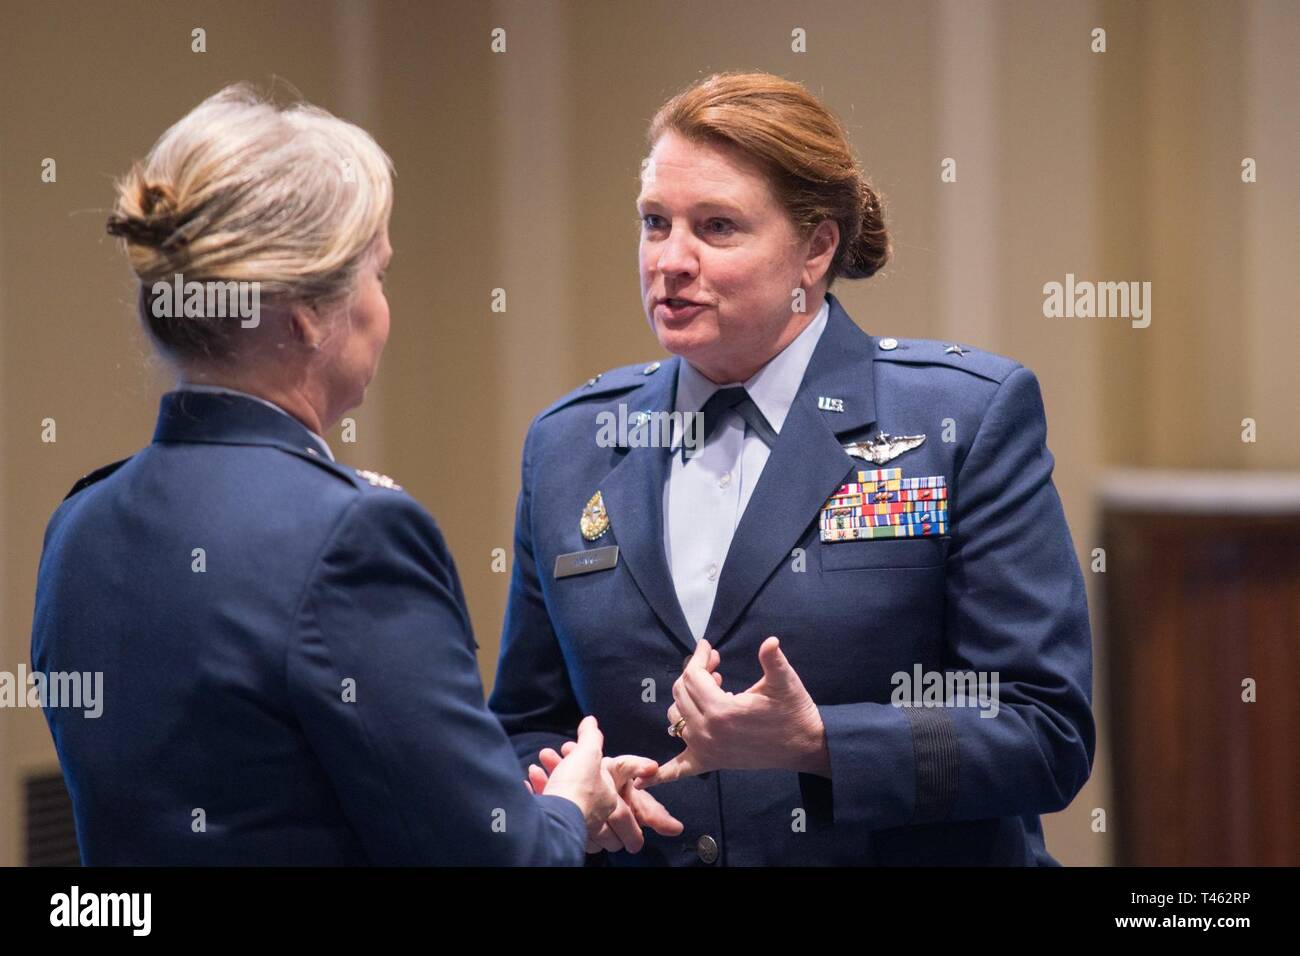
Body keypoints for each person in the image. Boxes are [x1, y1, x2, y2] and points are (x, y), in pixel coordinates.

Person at [30, 84, 660, 865]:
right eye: (379, 275)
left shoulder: (79, 524)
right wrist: (570, 807)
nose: (384, 309)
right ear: (307, 315)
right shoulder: (352, 536)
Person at [491, 72, 1096, 865]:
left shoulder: (960, 421)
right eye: (654, 223)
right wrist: (571, 792)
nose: (671, 260)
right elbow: (524, 727)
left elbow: (1044, 731)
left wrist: (821, 743)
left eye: (716, 227)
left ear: (815, 247)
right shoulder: (570, 445)